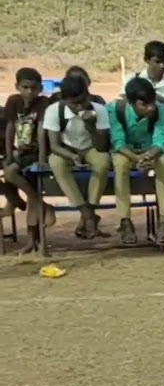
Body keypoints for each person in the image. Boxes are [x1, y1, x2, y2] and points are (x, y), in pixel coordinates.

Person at [40, 75, 111, 239]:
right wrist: (72, 156)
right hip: (67, 149)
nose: (79, 107)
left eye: (83, 101)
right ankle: (87, 212)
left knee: (103, 160)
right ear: (64, 100)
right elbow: (54, 145)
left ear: (88, 95)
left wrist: (91, 127)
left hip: (91, 148)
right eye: (74, 103)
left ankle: (91, 207)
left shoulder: (99, 110)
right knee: (56, 162)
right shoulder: (54, 111)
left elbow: (101, 146)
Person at [109, 77, 164, 246]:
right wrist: (137, 158)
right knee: (120, 164)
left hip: (151, 150)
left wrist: (148, 156)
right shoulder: (115, 110)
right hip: (126, 152)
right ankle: (125, 222)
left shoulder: (163, 110)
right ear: (131, 103)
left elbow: (161, 140)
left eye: (152, 102)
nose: (150, 107)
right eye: (144, 104)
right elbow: (118, 142)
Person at [3, 67, 50, 253]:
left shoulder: (43, 103)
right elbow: (10, 128)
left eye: (34, 88)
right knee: (9, 174)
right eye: (25, 87)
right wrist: (9, 155)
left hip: (35, 152)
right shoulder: (13, 101)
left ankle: (29, 201)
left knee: (11, 174)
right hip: (20, 152)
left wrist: (42, 159)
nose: (30, 92)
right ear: (17, 86)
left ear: (40, 88)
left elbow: (41, 131)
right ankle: (32, 237)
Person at [123, 41, 164, 118]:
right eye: (157, 62)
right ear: (146, 60)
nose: (162, 66)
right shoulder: (131, 79)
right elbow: (124, 105)